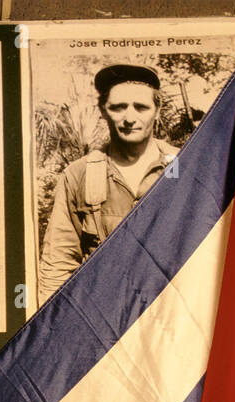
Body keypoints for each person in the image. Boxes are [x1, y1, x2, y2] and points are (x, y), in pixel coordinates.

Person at [38, 63, 178, 304]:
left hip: (172, 315)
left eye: (141, 107)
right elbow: (58, 263)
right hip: (106, 313)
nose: (129, 118)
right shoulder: (78, 174)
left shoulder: (186, 167)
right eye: (118, 108)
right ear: (103, 110)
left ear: (157, 110)